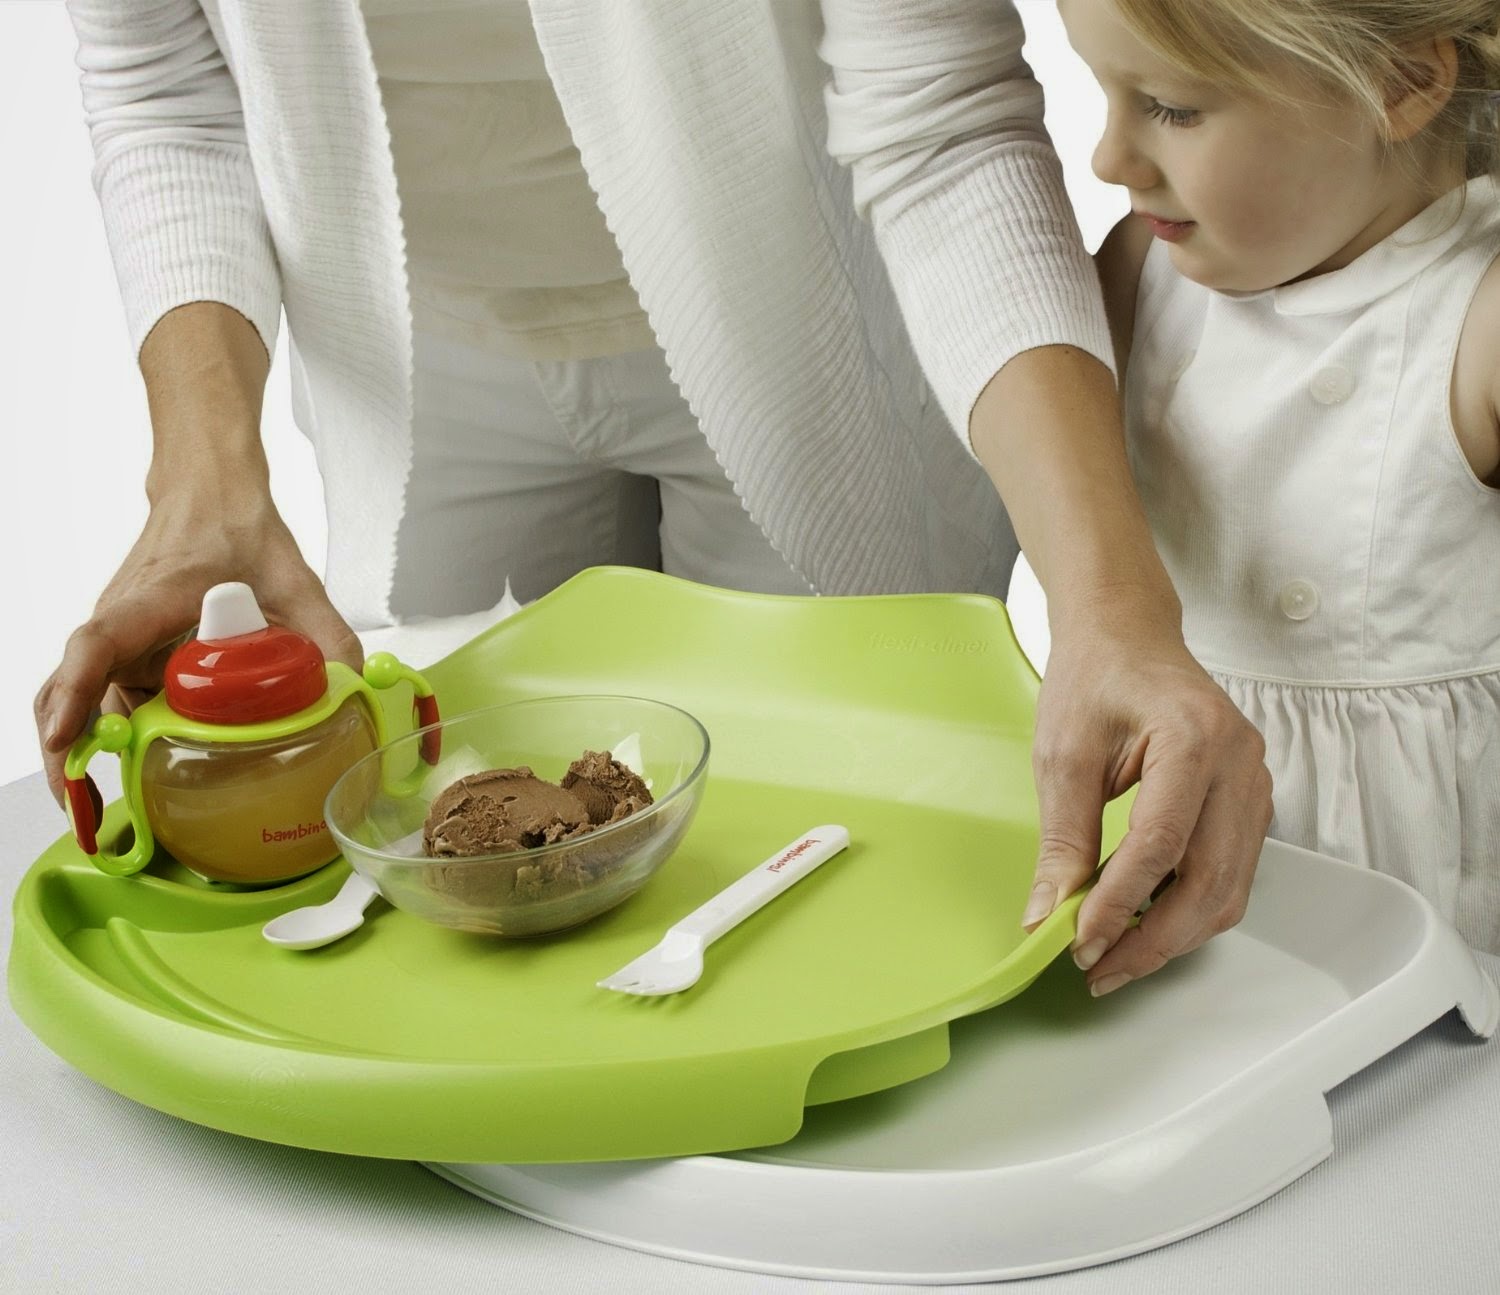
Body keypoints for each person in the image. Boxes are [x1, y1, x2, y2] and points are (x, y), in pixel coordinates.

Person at [34, 0, 1272, 993]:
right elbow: (166, 93)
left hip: (813, 336)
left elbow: (938, 117)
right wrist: (203, 481)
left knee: (853, 873)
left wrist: (1113, 604)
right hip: (419, 373)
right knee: (446, 899)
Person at [1059, 0, 1500, 955]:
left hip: (1419, 899)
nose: (1108, 158)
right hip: (1168, 839)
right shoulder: (1139, 269)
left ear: (1401, 85)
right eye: (1103, 91)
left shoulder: (1477, 315)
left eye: (1172, 108)